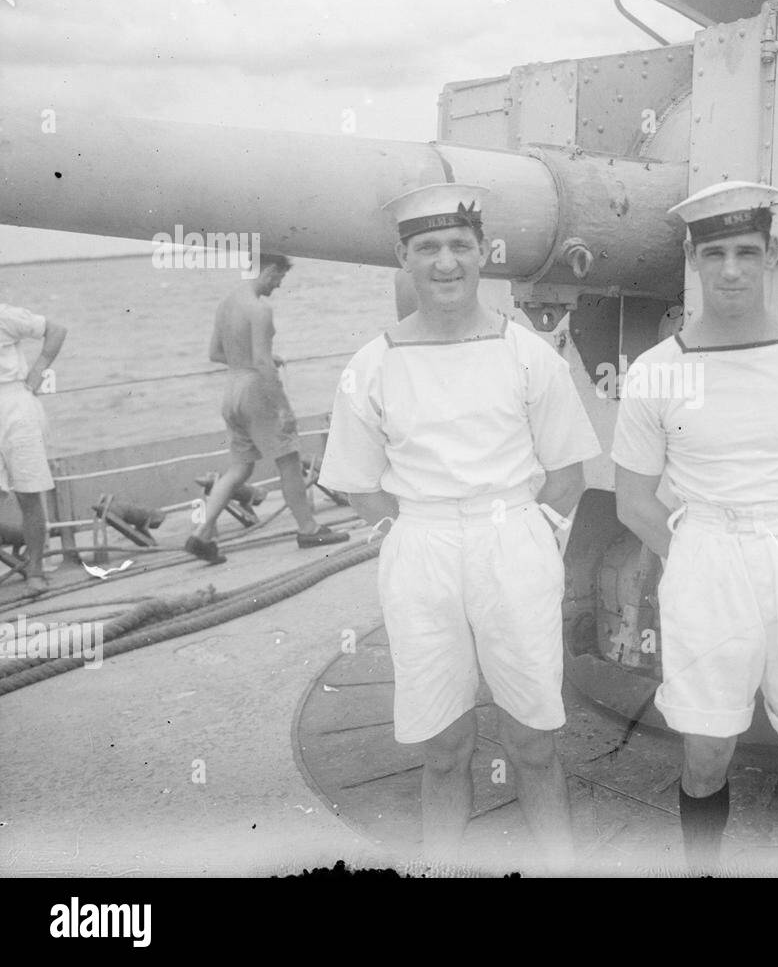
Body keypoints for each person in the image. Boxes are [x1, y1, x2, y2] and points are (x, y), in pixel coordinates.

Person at [318, 184, 601, 873]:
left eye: (459, 246)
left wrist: (534, 545)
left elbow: (568, 473)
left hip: (514, 539)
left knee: (534, 741)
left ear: (482, 253)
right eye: (428, 248)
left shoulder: (528, 354)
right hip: (422, 550)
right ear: (403, 259)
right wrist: (416, 539)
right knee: (443, 749)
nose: (445, 262)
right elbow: (357, 482)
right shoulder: (372, 365)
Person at [612, 181, 778, 875]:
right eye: (716, 253)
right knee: (706, 753)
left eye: (747, 252)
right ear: (695, 260)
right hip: (706, 560)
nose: (731, 269)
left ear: (772, 256)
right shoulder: (657, 372)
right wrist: (697, 554)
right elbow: (633, 500)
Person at [186, 252, 348, 563]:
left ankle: (201, 533)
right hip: (256, 393)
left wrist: (253, 359)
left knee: (238, 468)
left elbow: (216, 354)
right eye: (279, 278)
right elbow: (261, 363)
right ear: (270, 270)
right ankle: (308, 527)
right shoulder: (259, 309)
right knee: (288, 460)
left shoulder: (227, 303)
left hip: (232, 391)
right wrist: (282, 406)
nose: (277, 286)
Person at [0, 303, 67, 594]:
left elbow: (55, 330)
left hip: (15, 403)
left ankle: (36, 570)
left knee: (29, 492)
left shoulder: (4, 315)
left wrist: (39, 369)